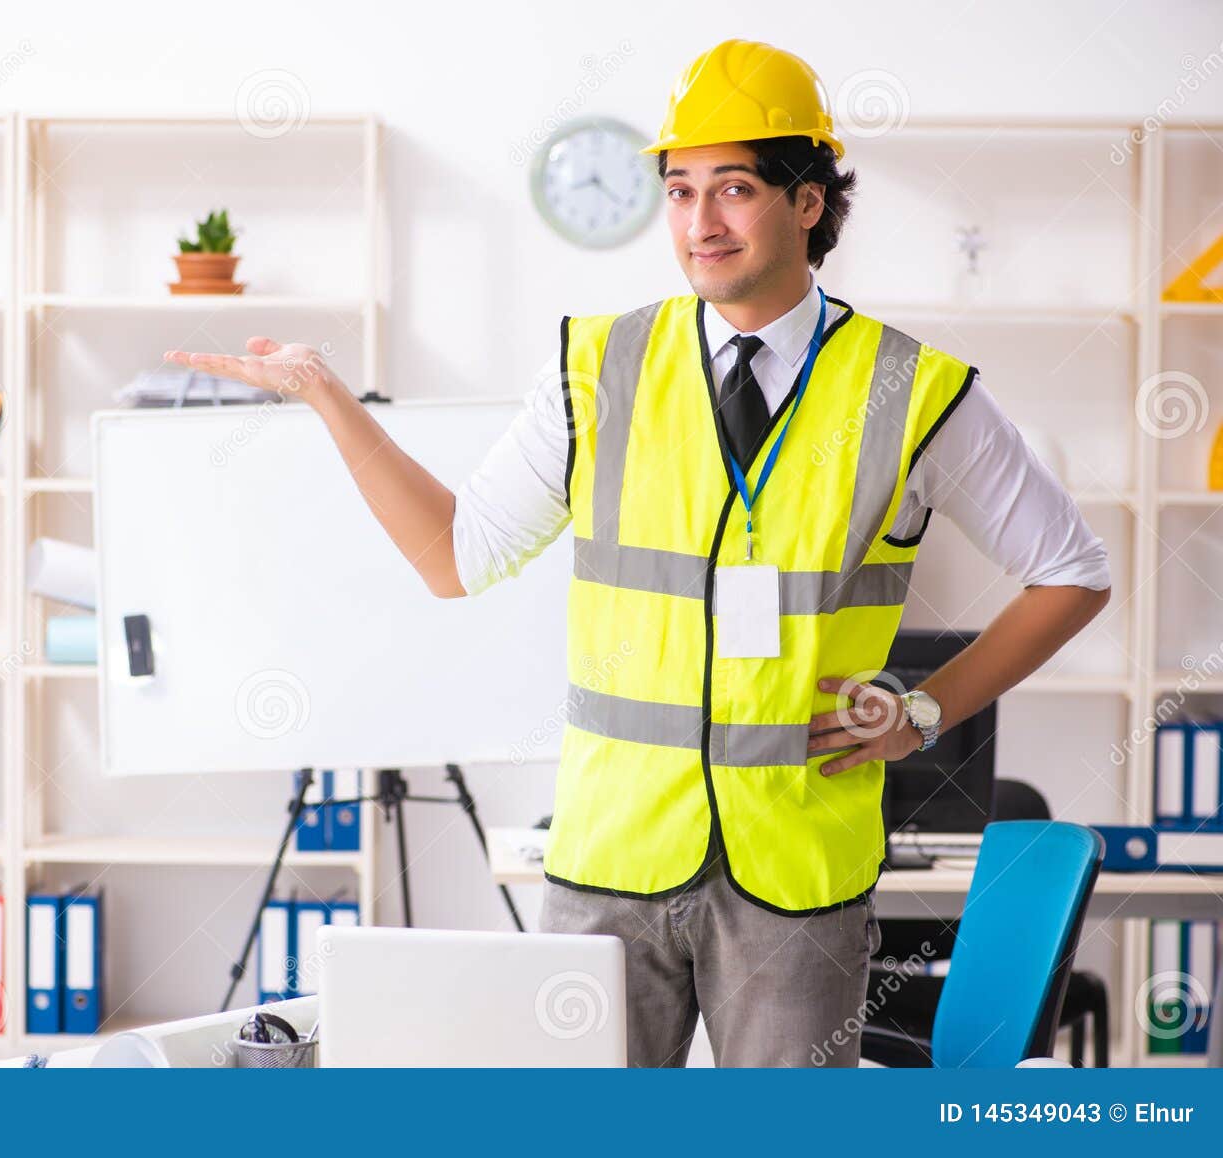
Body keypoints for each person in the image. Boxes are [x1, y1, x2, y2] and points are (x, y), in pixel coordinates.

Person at [164, 38, 1111, 1067]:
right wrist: (326, 397)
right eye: (678, 189)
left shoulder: (913, 391)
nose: (699, 223)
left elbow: (1074, 571)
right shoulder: (598, 366)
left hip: (797, 879)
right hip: (611, 867)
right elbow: (455, 555)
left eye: (734, 188)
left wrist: (923, 712)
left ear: (807, 202)